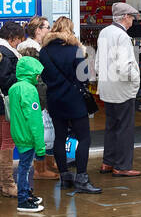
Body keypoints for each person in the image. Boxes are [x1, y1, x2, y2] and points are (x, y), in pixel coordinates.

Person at [39, 15, 101, 194]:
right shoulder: (74, 49)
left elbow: (44, 77)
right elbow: (84, 75)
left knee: (59, 137)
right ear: (69, 30)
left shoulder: (44, 52)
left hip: (55, 99)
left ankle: (65, 176)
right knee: (84, 138)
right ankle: (81, 178)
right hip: (74, 100)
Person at [96, 3, 141, 176]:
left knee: (111, 126)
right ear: (124, 17)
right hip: (122, 89)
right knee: (125, 128)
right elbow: (124, 67)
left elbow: (98, 62)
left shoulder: (104, 32)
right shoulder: (122, 36)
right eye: (131, 16)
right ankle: (122, 166)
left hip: (107, 87)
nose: (132, 20)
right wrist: (136, 78)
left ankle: (107, 162)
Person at [0, 21, 25, 197]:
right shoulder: (7, 54)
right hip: (11, 100)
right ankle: (8, 184)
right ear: (12, 38)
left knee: (1, 141)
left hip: (1, 100)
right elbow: (8, 80)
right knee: (9, 142)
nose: (19, 43)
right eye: (18, 39)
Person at [19, 16, 59, 180]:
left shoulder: (32, 48)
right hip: (37, 98)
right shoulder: (33, 50)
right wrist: (45, 102)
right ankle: (40, 168)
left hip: (33, 96)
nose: (50, 31)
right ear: (38, 30)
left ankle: (47, 163)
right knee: (43, 133)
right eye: (47, 27)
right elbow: (39, 80)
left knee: (46, 132)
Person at [8, 55, 47, 213]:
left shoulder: (15, 88)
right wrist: (41, 147)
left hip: (18, 133)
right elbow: (34, 120)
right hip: (28, 136)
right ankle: (23, 199)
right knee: (24, 168)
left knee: (24, 167)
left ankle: (26, 193)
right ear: (31, 73)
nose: (38, 77)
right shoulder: (30, 90)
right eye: (36, 73)